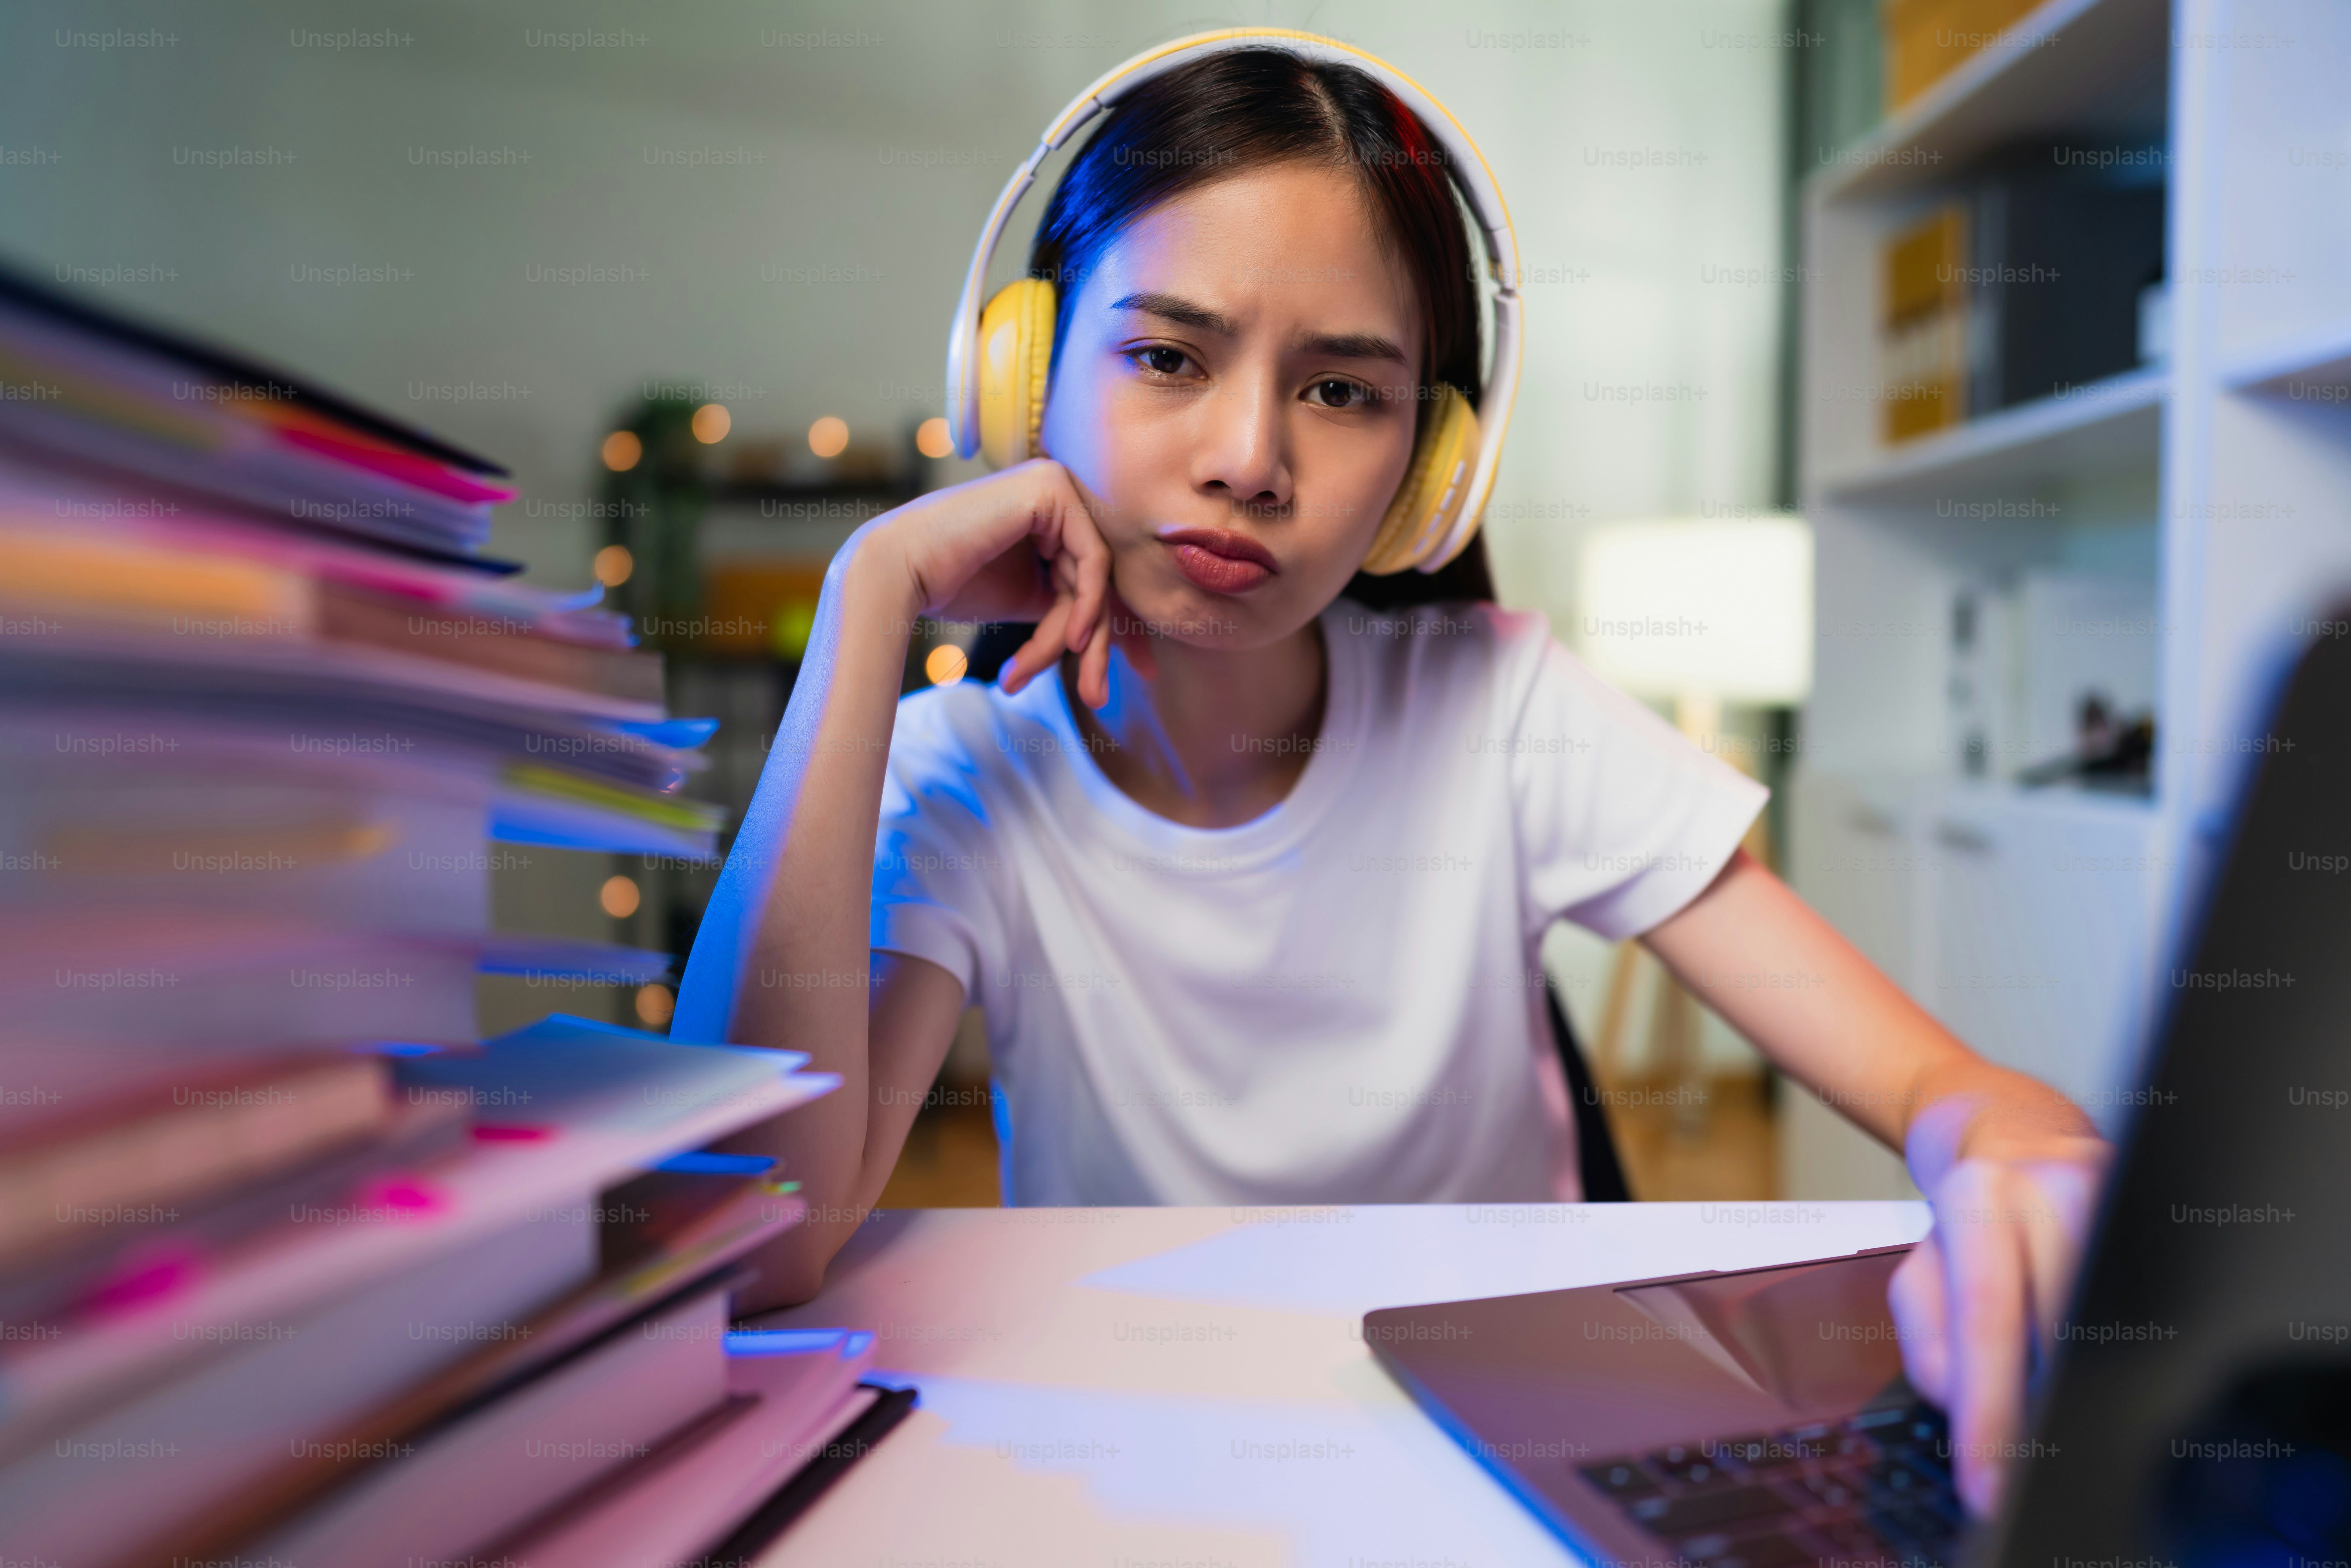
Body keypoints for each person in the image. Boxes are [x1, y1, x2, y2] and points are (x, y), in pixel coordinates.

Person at [675, 44, 2108, 1518]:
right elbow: (755, 1242)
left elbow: (1943, 1086)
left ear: (1431, 470)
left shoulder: (1498, 708)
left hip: (1506, 1458)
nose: (1247, 458)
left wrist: (2019, 1151)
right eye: (1166, 355)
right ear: (1022, 381)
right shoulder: (969, 778)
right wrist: (867, 601)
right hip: (1155, 1464)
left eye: (1342, 391)